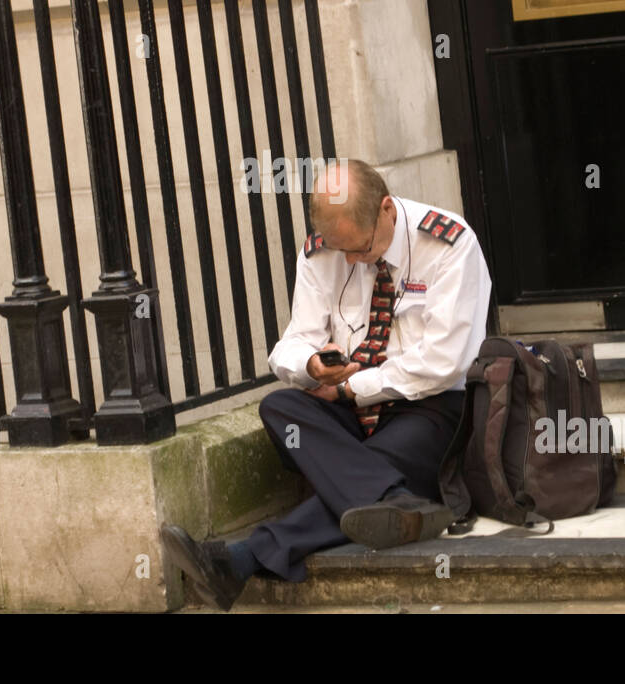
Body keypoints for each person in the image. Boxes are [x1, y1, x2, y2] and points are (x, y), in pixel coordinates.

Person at [159, 158, 492, 611]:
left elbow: (441, 363)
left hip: (429, 409)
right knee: (279, 409)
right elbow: (293, 342)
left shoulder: (449, 244)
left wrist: (355, 387)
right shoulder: (323, 250)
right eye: (342, 251)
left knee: (371, 459)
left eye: (361, 249)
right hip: (350, 409)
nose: (352, 261)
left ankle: (240, 559)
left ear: (387, 210)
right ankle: (395, 499)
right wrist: (313, 365)